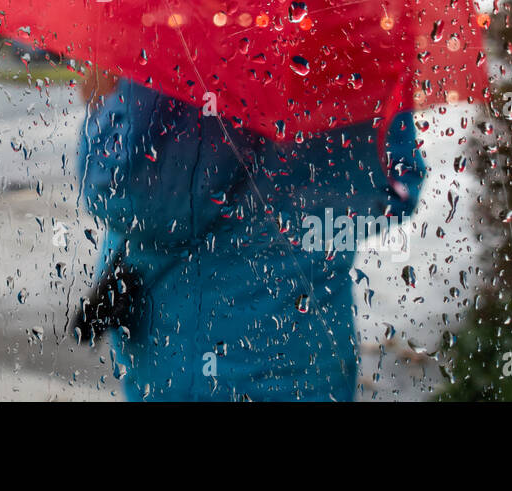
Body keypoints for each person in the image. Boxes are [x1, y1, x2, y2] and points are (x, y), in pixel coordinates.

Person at [73, 72, 426, 401]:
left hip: (199, 355)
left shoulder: (186, 32)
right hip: (317, 350)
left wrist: (104, 100)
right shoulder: (364, 30)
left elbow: (124, 194)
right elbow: (398, 183)